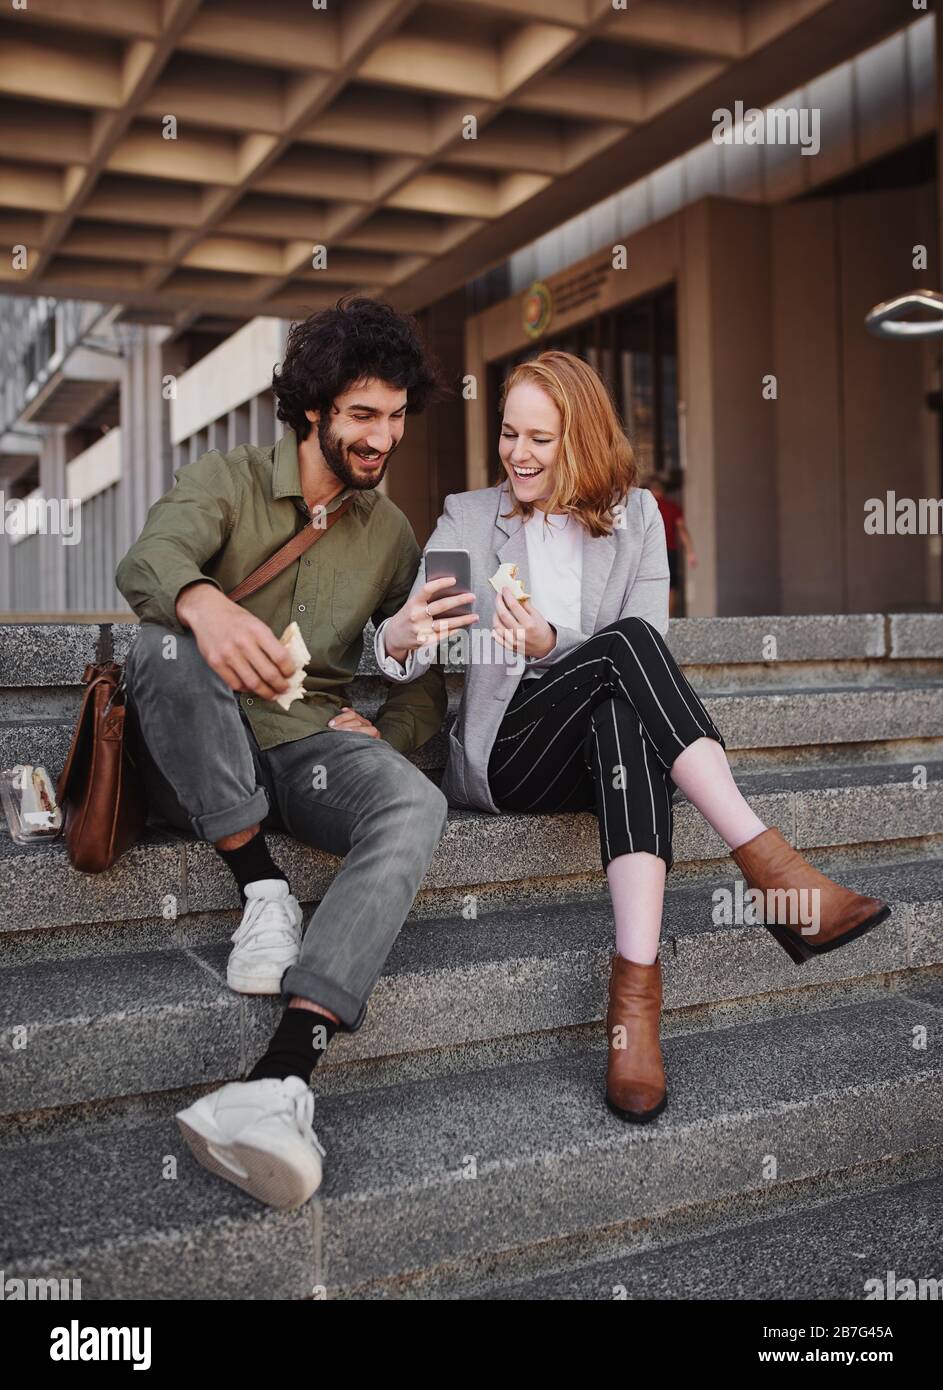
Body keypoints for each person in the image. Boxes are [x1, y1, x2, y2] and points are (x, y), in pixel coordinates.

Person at [374, 349, 892, 1125]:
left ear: (580, 437)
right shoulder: (469, 517)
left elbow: (646, 647)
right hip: (512, 753)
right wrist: (402, 635)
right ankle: (772, 870)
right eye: (509, 434)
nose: (517, 454)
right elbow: (417, 638)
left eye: (540, 439)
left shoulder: (637, 517)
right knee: (620, 651)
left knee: (624, 702)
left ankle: (635, 1007)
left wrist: (553, 641)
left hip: (601, 741)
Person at [115, 297, 479, 1211]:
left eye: (395, 416)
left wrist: (385, 738)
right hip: (193, 746)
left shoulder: (391, 533)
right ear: (313, 408)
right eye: (362, 414)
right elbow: (149, 560)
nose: (382, 436)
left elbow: (419, 681)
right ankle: (260, 888)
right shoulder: (227, 479)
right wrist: (207, 606)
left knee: (415, 803)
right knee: (162, 641)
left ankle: (283, 1076)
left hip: (305, 744)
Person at [648, 472, 696, 617]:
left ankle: (651, 618)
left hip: (650, 552)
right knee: (670, 587)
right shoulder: (673, 507)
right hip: (669, 551)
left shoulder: (646, 507)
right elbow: (682, 530)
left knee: (649, 584)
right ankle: (670, 619)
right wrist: (690, 552)